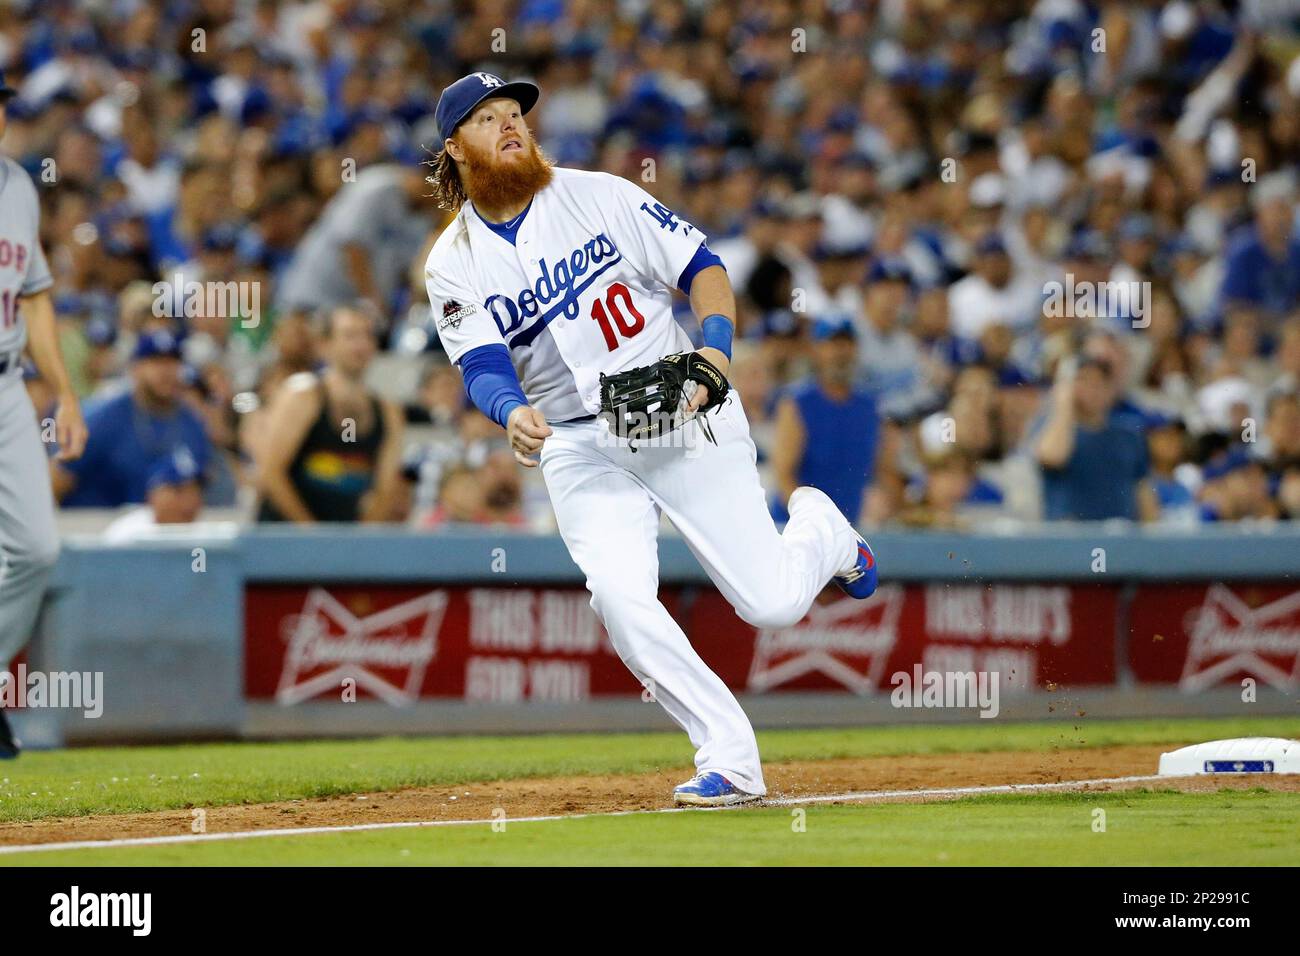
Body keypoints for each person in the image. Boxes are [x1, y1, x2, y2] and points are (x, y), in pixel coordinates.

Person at [423, 72, 878, 807]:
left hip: (678, 407)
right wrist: (509, 410)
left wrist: (717, 353)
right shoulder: (452, 261)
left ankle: (822, 530)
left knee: (769, 605)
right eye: (488, 119)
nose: (511, 125)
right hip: (576, 442)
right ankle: (730, 758)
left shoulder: (597, 194)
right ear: (455, 148)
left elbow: (701, 266)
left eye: (516, 113)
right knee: (617, 595)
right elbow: (480, 363)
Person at [0, 72, 90, 758]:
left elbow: (34, 299)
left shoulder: (19, 188)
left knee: (37, 549)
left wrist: (62, 392)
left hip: (7, 386)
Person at [256, 306, 405, 523]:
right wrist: (312, 535)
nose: (361, 345)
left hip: (343, 543)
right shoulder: (302, 396)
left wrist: (357, 542)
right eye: (350, 335)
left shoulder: (388, 411)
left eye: (367, 335)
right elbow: (271, 472)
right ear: (324, 345)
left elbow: (386, 489)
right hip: (285, 538)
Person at [53, 328, 211, 507]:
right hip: (96, 528)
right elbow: (56, 480)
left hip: (165, 531)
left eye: (172, 362)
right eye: (155, 362)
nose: (165, 371)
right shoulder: (104, 418)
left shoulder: (192, 425)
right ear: (135, 368)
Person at [770, 314, 880, 526]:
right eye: (832, 344)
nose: (840, 352)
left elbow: (881, 470)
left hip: (849, 528)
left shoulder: (869, 406)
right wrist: (812, 519)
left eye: (846, 344)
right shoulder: (797, 402)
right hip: (796, 527)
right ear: (816, 350)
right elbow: (783, 474)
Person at [1034, 356, 1158, 522]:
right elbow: (1052, 456)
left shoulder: (1128, 433)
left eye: (1099, 383)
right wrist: (1063, 404)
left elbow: (1143, 490)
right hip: (1069, 537)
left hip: (1120, 536)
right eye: (1082, 380)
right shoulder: (1052, 428)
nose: (1091, 389)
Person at [102, 448, 205, 543]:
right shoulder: (126, 535)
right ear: (153, 494)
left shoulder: (207, 538)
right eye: (178, 491)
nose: (189, 501)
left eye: (194, 490)